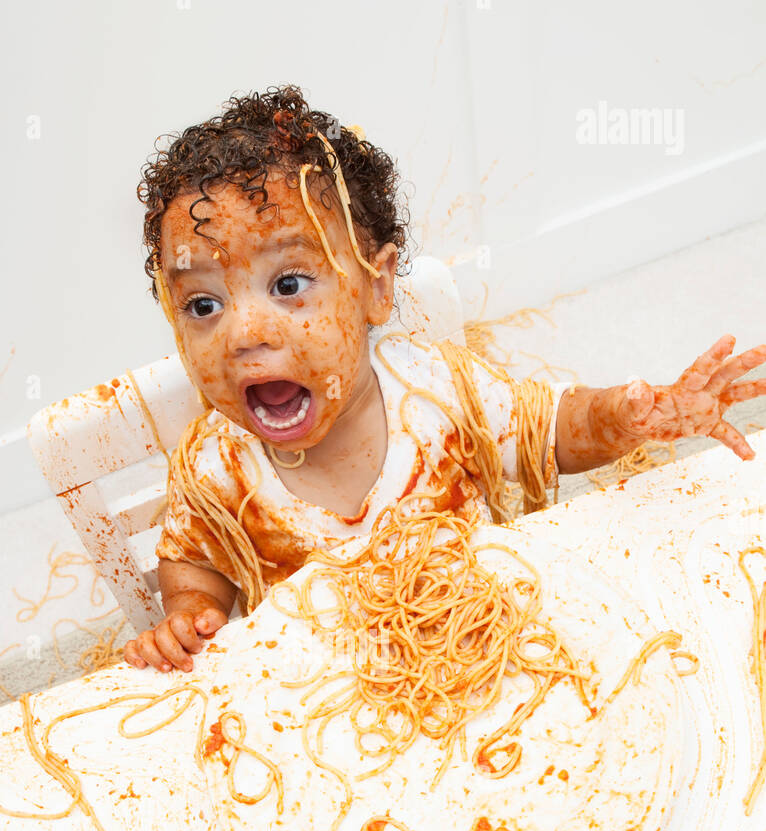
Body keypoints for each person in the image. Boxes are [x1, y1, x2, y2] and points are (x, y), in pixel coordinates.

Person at [124, 85, 766, 675]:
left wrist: (625, 417)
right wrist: (187, 616)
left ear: (375, 288)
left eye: (289, 285)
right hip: (328, 694)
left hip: (492, 646)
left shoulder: (436, 391)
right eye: (203, 305)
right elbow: (196, 561)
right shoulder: (215, 466)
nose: (243, 334)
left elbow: (551, 432)